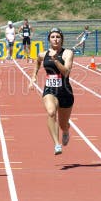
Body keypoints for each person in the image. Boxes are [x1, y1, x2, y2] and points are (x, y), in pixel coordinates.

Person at [32, 27, 74, 155]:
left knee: (63, 124)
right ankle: (57, 144)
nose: (55, 39)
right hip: (50, 89)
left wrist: (56, 60)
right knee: (51, 112)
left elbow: (66, 72)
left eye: (58, 37)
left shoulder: (67, 53)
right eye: (53, 37)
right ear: (49, 39)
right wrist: (34, 75)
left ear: (62, 39)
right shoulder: (43, 54)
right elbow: (38, 61)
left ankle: (66, 131)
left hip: (65, 91)